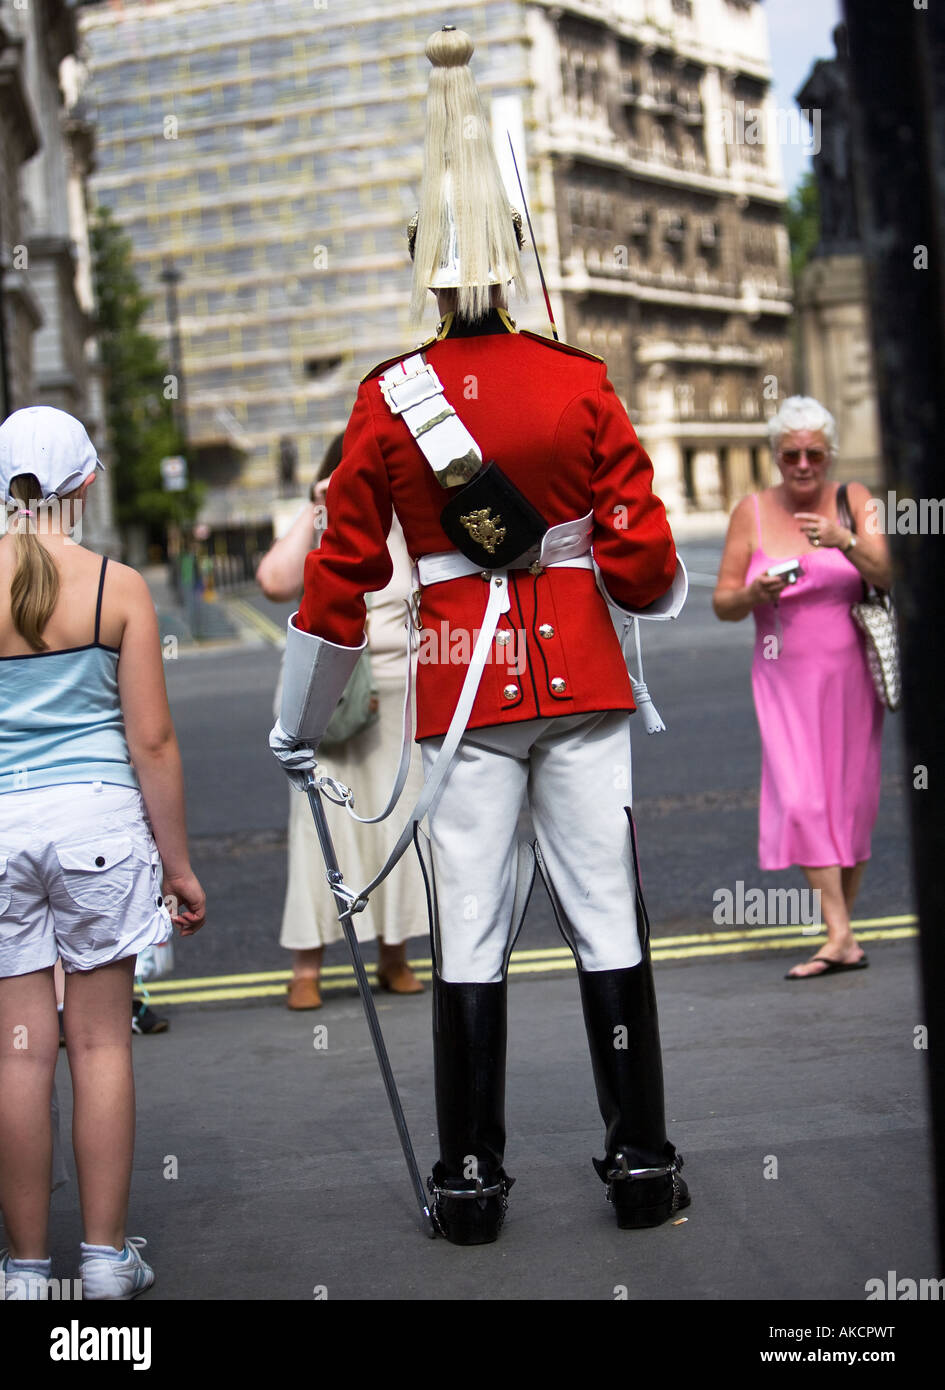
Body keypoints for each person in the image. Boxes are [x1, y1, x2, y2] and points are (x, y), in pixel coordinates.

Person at [270, 27, 690, 1245]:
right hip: (585, 676)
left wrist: (301, 719)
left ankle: (468, 1184)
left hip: (463, 686)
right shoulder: (578, 378)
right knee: (607, 917)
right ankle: (643, 1167)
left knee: (469, 932)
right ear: (513, 266)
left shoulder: (387, 396)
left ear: (420, 262)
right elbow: (649, 561)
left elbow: (339, 577)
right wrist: (596, 564)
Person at [0, 406, 206, 1300]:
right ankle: (105, 1259)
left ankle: (25, 1269)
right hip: (98, 829)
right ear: (82, 489)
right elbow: (152, 742)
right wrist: (179, 867)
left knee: (16, 1055)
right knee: (100, 1047)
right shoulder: (116, 588)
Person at [712, 396, 892, 979]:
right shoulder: (753, 512)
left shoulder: (854, 500)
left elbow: (891, 574)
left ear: (830, 454)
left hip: (852, 676)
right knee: (804, 798)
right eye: (791, 454)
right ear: (776, 456)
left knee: (853, 802)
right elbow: (723, 604)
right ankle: (840, 933)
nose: (803, 464)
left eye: (814, 452)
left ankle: (840, 934)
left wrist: (844, 540)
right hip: (783, 673)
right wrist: (754, 594)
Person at [257, 435, 426, 1008]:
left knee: (396, 822)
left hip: (398, 694)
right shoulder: (325, 519)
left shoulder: (405, 520)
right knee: (318, 826)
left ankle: (393, 953)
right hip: (325, 686)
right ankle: (307, 966)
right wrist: (318, 506)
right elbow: (275, 582)